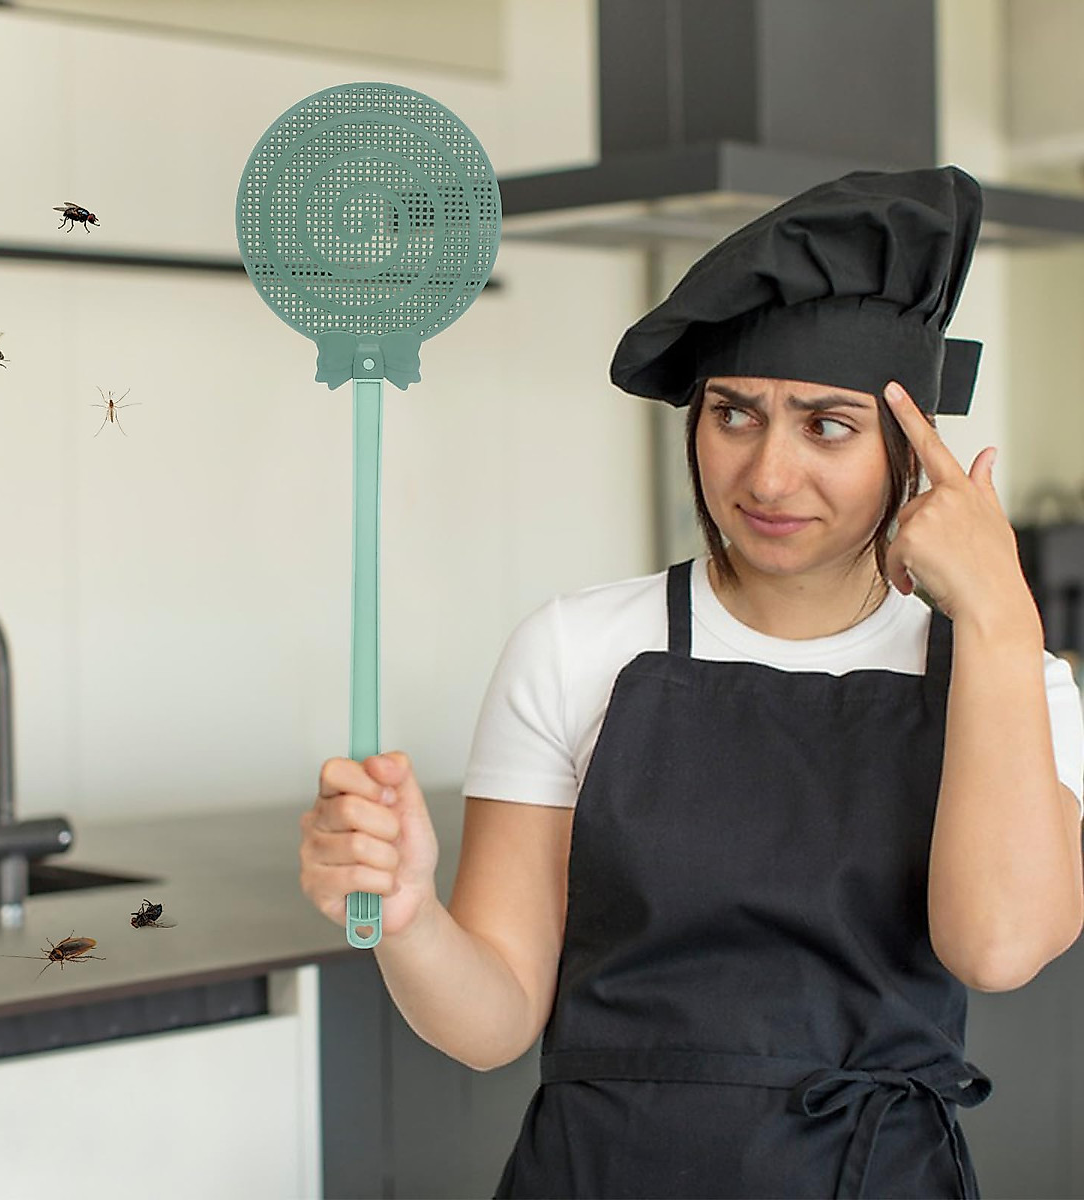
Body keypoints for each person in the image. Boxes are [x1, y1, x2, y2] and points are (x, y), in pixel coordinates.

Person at [299, 165, 1084, 1198]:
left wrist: (997, 610)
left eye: (828, 425)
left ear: (911, 448)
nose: (767, 476)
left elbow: (997, 948)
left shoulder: (1007, 677)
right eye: (735, 415)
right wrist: (408, 918)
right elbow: (492, 1022)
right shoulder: (573, 647)